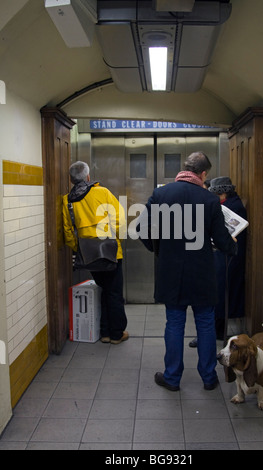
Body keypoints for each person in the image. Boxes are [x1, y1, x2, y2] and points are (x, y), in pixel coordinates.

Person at [138, 152, 237, 391]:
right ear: (203, 174)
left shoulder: (161, 194)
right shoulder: (210, 200)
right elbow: (222, 240)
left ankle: (172, 378)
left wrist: (159, 248)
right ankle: (209, 378)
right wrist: (232, 246)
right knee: (204, 323)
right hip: (202, 272)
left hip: (171, 272)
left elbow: (141, 228)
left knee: (174, 323)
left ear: (185, 169)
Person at [62, 161, 128, 345]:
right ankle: (116, 334)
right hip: (111, 252)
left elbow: (68, 233)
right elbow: (120, 219)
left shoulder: (67, 200)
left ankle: (105, 332)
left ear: (71, 179)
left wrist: (80, 247)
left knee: (103, 290)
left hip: (88, 255)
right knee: (114, 292)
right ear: (88, 177)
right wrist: (115, 242)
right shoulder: (103, 193)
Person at [189, 176, 247, 346]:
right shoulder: (229, 204)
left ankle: (211, 334)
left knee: (218, 296)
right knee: (219, 295)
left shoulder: (232, 207)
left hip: (227, 258)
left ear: (222, 193)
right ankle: (216, 332)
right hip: (223, 256)